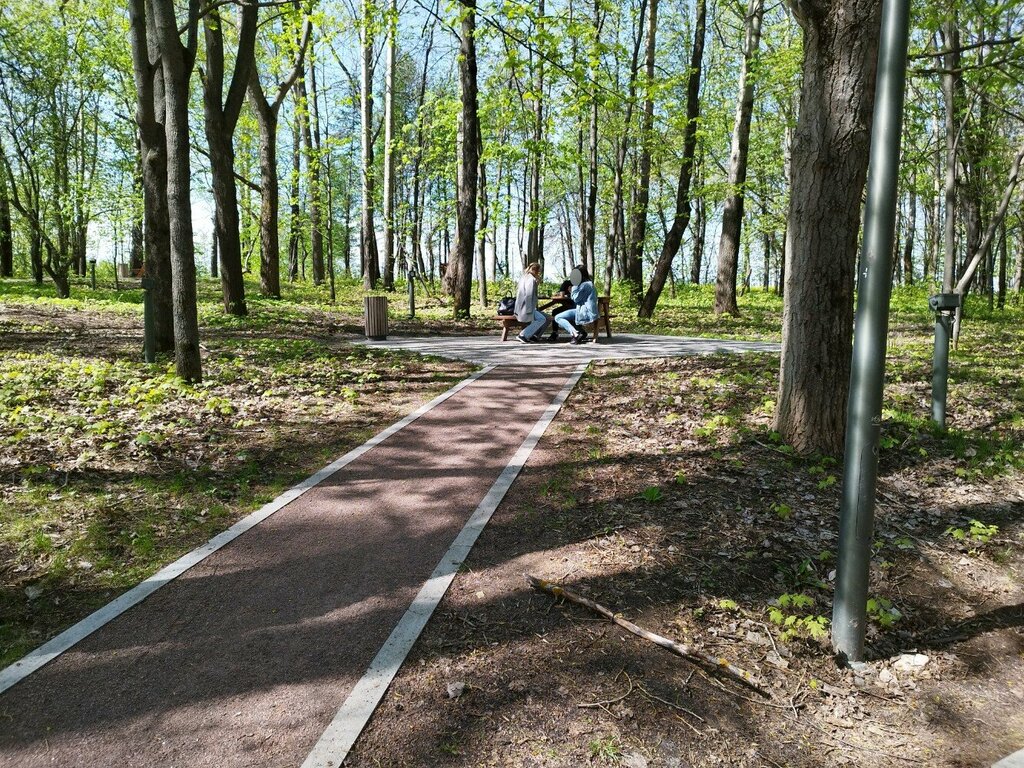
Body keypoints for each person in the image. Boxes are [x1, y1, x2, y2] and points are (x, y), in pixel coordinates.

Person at [554, 265, 598, 345]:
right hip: (589, 311)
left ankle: (575, 334)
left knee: (558, 317)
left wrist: (572, 289)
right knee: (567, 312)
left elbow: (576, 299)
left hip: (585, 312)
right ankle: (581, 332)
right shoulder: (589, 284)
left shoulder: (584, 285)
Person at [514, 262, 548, 342]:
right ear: (534, 270)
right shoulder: (531, 279)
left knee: (545, 318)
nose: (539, 273)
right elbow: (529, 295)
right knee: (542, 319)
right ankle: (523, 335)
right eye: (538, 271)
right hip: (526, 307)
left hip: (520, 307)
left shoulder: (524, 277)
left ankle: (532, 335)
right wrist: (529, 309)